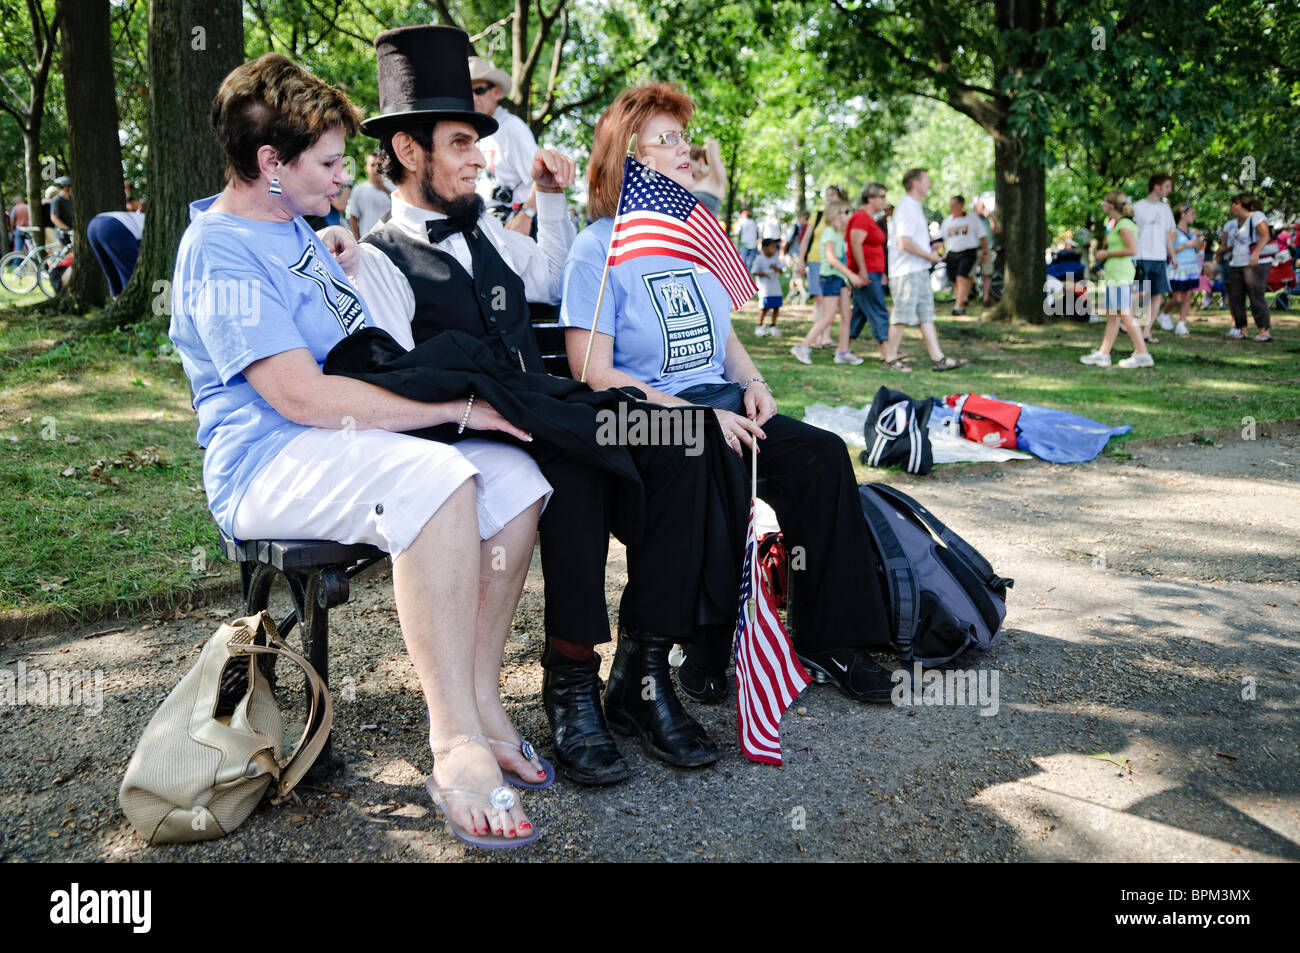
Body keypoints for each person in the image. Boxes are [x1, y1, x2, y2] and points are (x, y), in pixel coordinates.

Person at [168, 51, 552, 848]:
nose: (346, 177)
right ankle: (454, 747)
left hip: (335, 445)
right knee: (443, 478)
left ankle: (482, 696)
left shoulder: (300, 228)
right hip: (267, 461)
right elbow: (301, 397)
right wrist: (452, 408)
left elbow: (363, 345)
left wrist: (340, 249)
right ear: (270, 163)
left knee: (516, 477)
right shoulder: (219, 249)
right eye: (330, 162)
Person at [349, 24, 742, 783]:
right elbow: (397, 381)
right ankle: (570, 680)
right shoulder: (378, 259)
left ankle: (645, 664)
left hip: (555, 407)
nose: (478, 158)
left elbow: (555, 278)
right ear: (409, 151)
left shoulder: (487, 228)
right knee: (578, 457)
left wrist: (554, 201)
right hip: (490, 433)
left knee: (689, 436)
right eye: (462, 143)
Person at [562, 83, 897, 706]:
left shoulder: (693, 240)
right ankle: (707, 645)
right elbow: (592, 371)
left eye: (684, 137)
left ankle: (831, 638)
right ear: (628, 155)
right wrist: (698, 414)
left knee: (820, 457)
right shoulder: (599, 248)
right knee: (706, 454)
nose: (686, 149)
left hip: (719, 398)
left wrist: (755, 385)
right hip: (646, 417)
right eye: (668, 139)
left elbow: (727, 340)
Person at [882, 168, 965, 372]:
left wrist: (930, 250)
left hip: (918, 269)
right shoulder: (907, 207)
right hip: (906, 272)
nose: (929, 185)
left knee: (926, 315)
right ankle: (890, 359)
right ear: (916, 184)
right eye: (926, 181)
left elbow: (912, 240)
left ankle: (939, 358)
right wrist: (929, 256)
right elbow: (904, 242)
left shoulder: (915, 207)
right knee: (902, 315)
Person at [469, 55, 542, 233]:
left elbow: (542, 178)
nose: (473, 97)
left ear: (495, 92)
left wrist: (526, 215)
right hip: (489, 224)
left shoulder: (512, 128)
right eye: (467, 92)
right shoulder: (476, 133)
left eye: (479, 90)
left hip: (516, 224)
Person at [1080, 191, 1153, 368]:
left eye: (1103, 203)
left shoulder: (1124, 225)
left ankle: (1143, 354)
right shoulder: (1117, 224)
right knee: (1113, 315)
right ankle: (1103, 354)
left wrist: (1107, 253)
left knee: (1125, 314)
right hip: (1114, 275)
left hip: (1121, 275)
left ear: (1111, 206)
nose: (1102, 206)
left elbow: (1132, 249)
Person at [790, 200, 863, 364]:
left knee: (846, 316)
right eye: (845, 212)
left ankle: (843, 352)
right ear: (836, 215)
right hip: (830, 278)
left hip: (839, 278)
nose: (848, 215)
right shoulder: (829, 232)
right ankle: (802, 347)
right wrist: (851, 275)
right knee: (829, 317)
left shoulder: (839, 233)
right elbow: (831, 259)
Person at [847, 183, 892, 363]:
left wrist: (882, 272)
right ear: (870, 198)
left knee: (860, 312)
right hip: (866, 272)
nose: (884, 201)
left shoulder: (870, 218)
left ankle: (844, 346)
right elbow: (856, 244)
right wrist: (863, 272)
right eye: (881, 197)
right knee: (878, 308)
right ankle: (887, 352)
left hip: (875, 271)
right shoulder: (860, 217)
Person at [1220, 192, 1274, 342]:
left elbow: (1265, 235)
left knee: (1255, 295)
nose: (1231, 207)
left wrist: (1256, 253)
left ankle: (1264, 330)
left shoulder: (1256, 216)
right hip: (1237, 263)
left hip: (1254, 263)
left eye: (1232, 204)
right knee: (1236, 296)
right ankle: (1241, 328)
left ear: (1238, 204)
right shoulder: (1235, 222)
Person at [1132, 173, 1177, 341]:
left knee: (1157, 294)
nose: (1169, 190)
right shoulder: (1137, 207)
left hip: (1159, 257)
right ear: (1156, 187)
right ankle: (1131, 324)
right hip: (1141, 256)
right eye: (1167, 186)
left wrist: (1172, 255)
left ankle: (1147, 331)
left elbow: (1167, 234)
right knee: (1140, 292)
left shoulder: (1165, 209)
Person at [939, 194, 988, 315]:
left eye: (953, 205)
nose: (951, 208)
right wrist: (941, 253)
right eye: (950, 206)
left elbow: (982, 237)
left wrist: (985, 252)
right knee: (955, 280)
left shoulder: (972, 219)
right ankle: (960, 301)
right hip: (951, 254)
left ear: (961, 205)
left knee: (962, 277)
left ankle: (958, 306)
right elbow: (942, 240)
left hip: (968, 252)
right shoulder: (947, 221)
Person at [86, 209, 145, 297]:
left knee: (113, 276)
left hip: (95, 224)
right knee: (131, 277)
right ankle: (129, 303)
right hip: (116, 227)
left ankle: (117, 302)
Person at [1168, 203, 1203, 336]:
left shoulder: (1192, 232)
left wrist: (1198, 240)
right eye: (1192, 213)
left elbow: (1198, 248)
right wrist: (1186, 245)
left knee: (1188, 295)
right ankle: (1165, 314)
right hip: (1178, 268)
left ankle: (1182, 323)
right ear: (1183, 215)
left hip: (1191, 266)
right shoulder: (1173, 232)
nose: (1194, 216)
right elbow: (1169, 251)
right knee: (1177, 297)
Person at [345, 152, 391, 238]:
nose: (376, 168)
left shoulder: (393, 187)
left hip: (389, 240)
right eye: (372, 165)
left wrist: (383, 188)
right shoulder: (359, 189)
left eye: (379, 165)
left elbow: (400, 207)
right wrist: (358, 241)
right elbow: (353, 218)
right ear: (366, 167)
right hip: (367, 239)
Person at [751, 236, 785, 335]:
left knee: (776, 307)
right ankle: (760, 326)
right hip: (765, 289)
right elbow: (754, 272)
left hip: (775, 287)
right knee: (764, 308)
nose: (774, 250)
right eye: (772, 247)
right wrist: (765, 273)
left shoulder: (775, 259)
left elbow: (781, 271)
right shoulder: (759, 259)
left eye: (775, 247)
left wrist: (775, 268)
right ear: (765, 248)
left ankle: (773, 326)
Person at [688, 138, 726, 219]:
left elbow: (712, 144)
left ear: (700, 161)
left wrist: (705, 168)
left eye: (690, 165)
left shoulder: (714, 178)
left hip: (704, 230)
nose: (687, 169)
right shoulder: (689, 182)